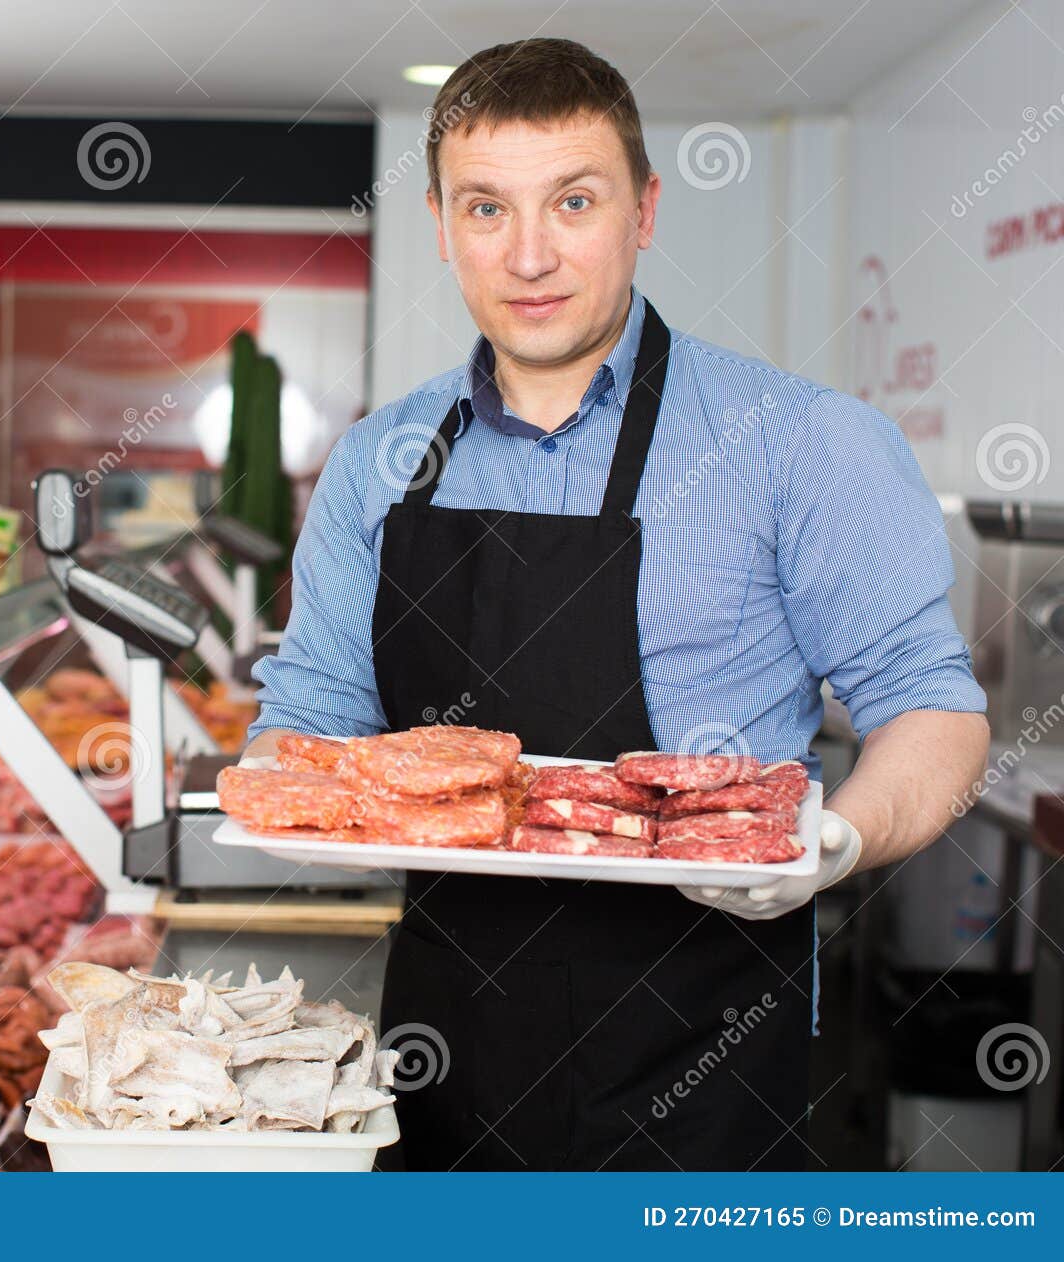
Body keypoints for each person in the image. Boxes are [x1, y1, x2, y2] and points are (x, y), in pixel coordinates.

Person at [243, 37, 989, 1171]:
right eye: (487, 208)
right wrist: (262, 797)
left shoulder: (799, 440)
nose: (529, 253)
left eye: (573, 201)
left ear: (641, 211)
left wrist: (829, 840)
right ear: (442, 226)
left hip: (705, 1052)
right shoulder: (377, 460)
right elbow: (307, 715)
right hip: (445, 1044)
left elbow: (935, 711)